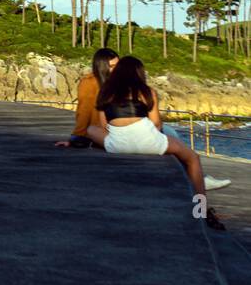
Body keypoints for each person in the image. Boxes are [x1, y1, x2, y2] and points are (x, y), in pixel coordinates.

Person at [94, 56, 226, 230]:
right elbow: (156, 124)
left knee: (90, 130)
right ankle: (200, 210)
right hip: (150, 141)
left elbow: (104, 127)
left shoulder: (105, 93)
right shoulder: (147, 92)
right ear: (139, 73)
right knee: (192, 158)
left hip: (117, 144)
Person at [53, 48, 117, 149]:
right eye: (112, 66)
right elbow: (84, 110)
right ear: (102, 67)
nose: (117, 69)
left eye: (118, 65)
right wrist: (78, 135)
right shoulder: (90, 82)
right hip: (100, 132)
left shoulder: (121, 82)